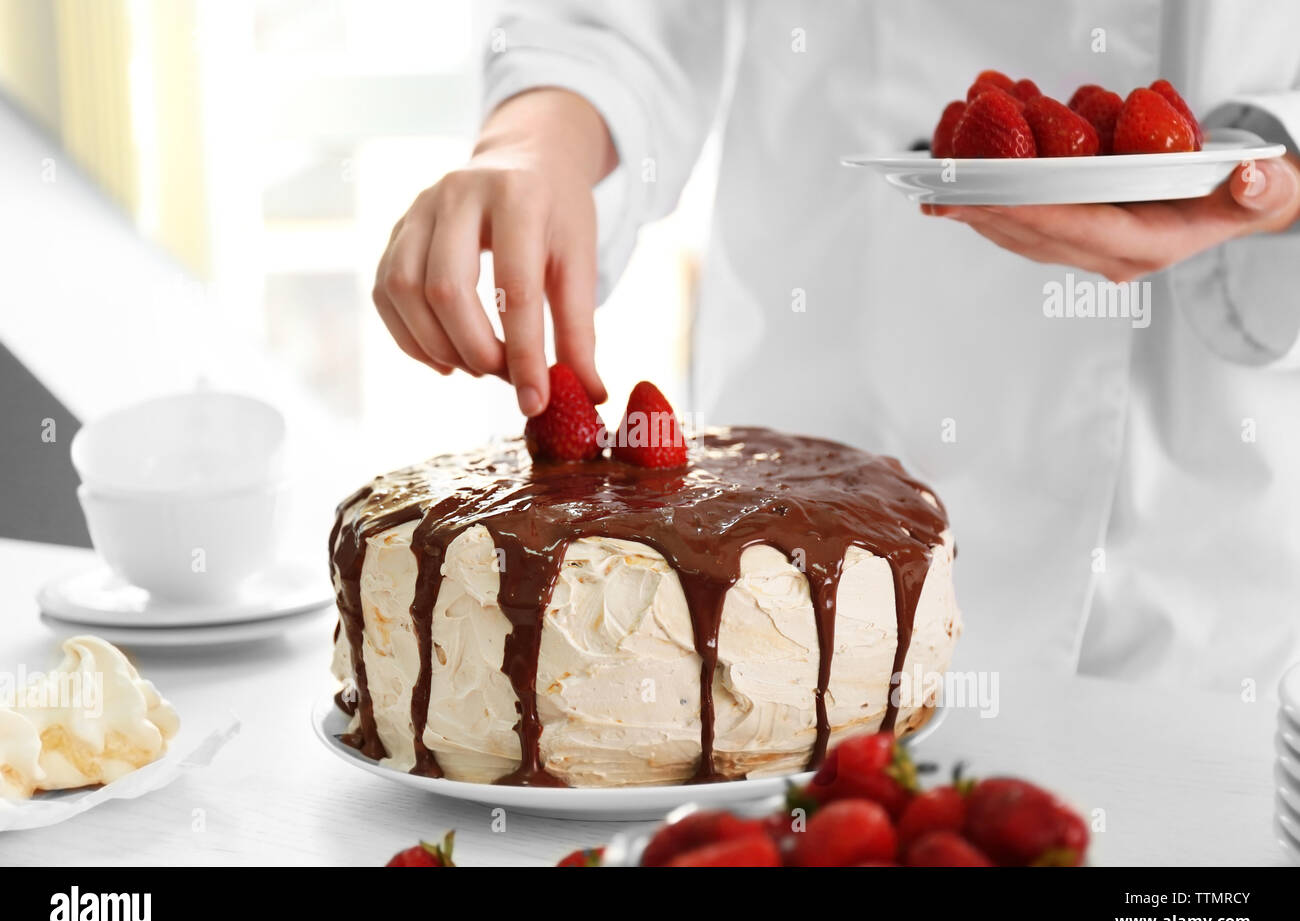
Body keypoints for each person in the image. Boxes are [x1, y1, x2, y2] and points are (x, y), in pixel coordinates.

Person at [372, 0, 1300, 691]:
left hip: (1190, 531)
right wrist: (535, 145)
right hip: (829, 408)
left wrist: (1281, 162)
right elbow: (620, 20)